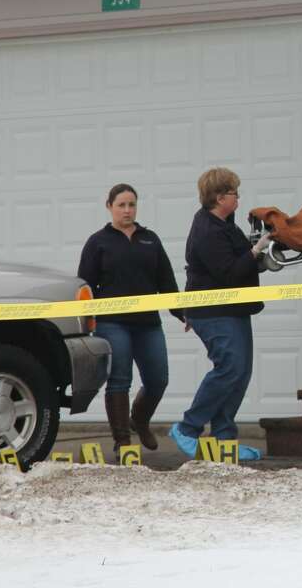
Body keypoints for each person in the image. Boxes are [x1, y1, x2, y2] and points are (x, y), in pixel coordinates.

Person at [169, 167, 271, 461]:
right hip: (212, 310)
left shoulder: (226, 225)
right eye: (233, 192)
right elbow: (229, 272)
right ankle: (187, 427)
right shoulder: (207, 231)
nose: (238, 197)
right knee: (229, 367)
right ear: (218, 196)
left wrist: (260, 253)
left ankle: (224, 437)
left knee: (240, 372)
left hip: (234, 309)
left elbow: (240, 263)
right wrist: (254, 253)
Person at [77, 183, 180, 453]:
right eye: (121, 205)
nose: (127, 210)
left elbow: (166, 281)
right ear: (109, 206)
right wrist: (86, 321)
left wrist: (183, 313)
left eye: (131, 204)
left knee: (158, 379)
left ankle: (140, 420)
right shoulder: (98, 242)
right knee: (120, 379)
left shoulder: (150, 239)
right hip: (112, 322)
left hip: (148, 324)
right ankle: (123, 441)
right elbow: (85, 285)